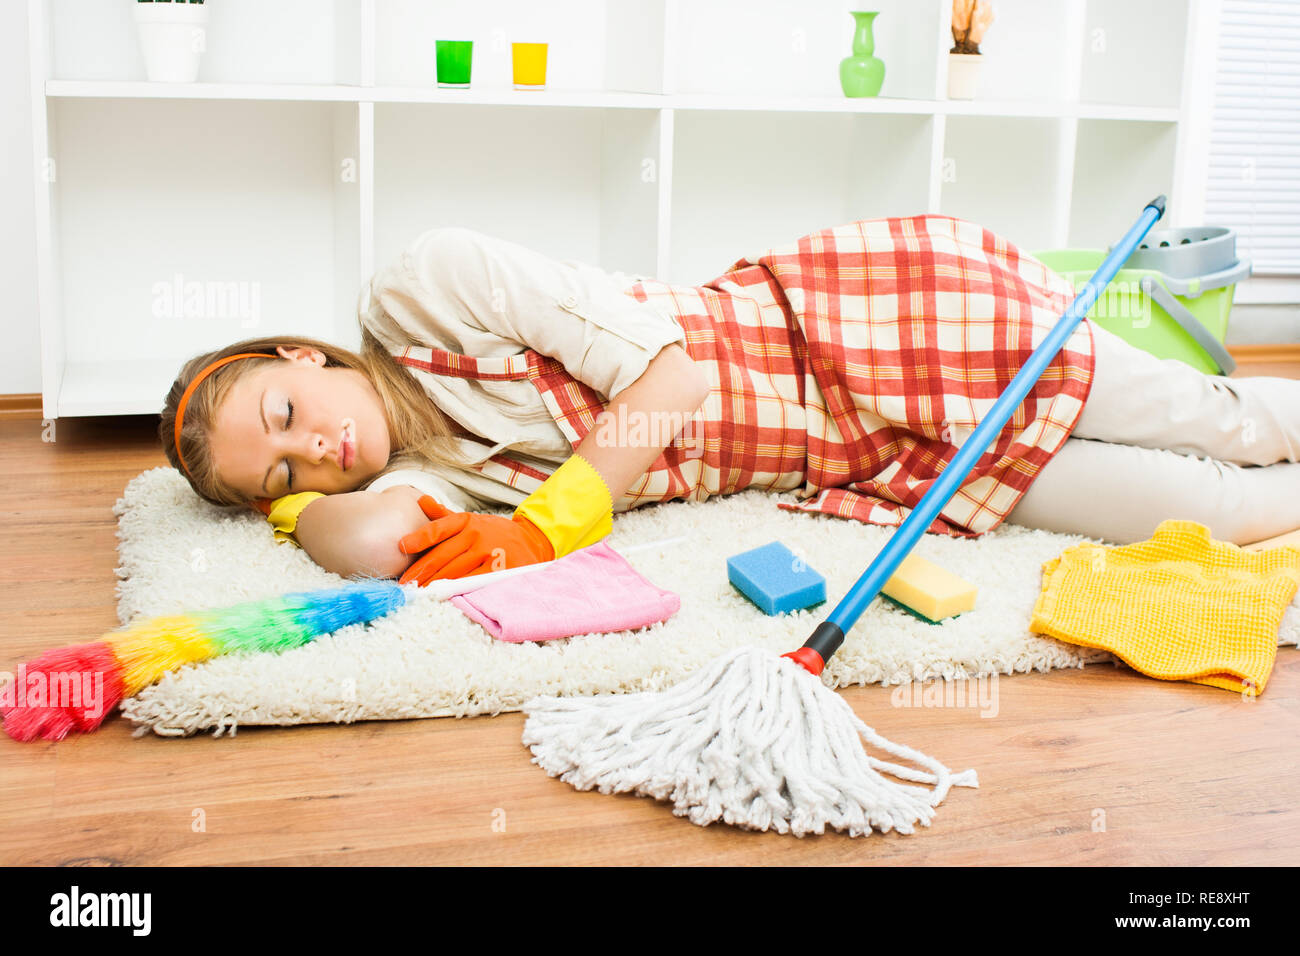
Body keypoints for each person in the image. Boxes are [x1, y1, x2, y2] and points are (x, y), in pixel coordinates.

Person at [159, 217, 1300, 585]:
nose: (319, 447)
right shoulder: (428, 479)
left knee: (1226, 420)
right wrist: (295, 511)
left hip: (872, 321)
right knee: (1224, 514)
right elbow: (370, 543)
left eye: (285, 415)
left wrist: (555, 519)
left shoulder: (423, 292)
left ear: (299, 355)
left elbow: (677, 375)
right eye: (286, 467)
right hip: (855, 454)